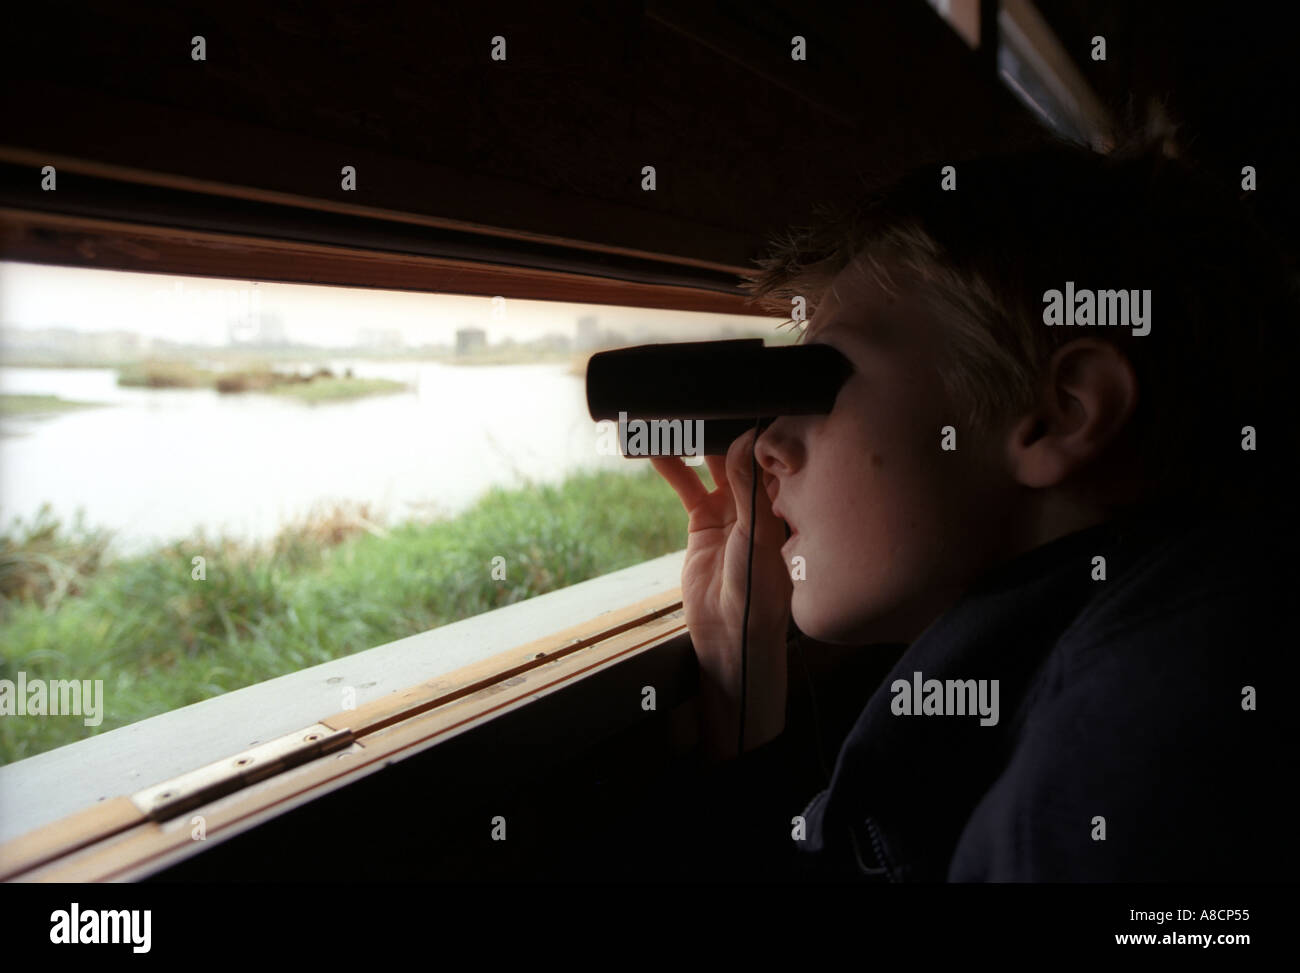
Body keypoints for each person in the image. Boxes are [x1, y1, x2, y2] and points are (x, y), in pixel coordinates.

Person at [648, 133, 1298, 881]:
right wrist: (743, 671)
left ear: (1062, 412)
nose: (765, 443)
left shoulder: (1118, 770)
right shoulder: (1160, 619)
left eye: (823, 378)